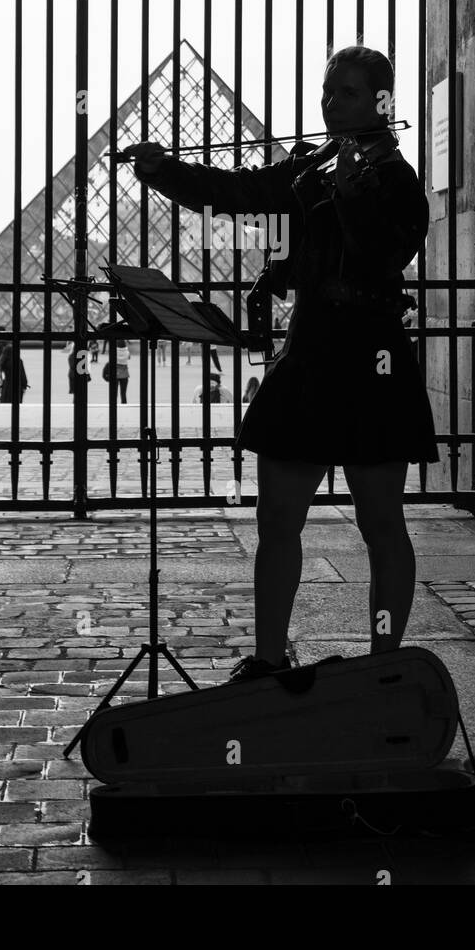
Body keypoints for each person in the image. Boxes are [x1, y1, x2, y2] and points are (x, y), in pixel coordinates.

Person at [129, 46, 438, 682]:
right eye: (327, 91)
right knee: (277, 522)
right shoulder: (309, 167)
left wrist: (355, 197)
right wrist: (164, 170)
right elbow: (236, 191)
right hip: (312, 349)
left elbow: (391, 250)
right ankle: (268, 659)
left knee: (381, 522)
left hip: (371, 356)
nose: (330, 104)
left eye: (347, 93)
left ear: (382, 102)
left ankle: (384, 667)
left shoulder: (397, 178)